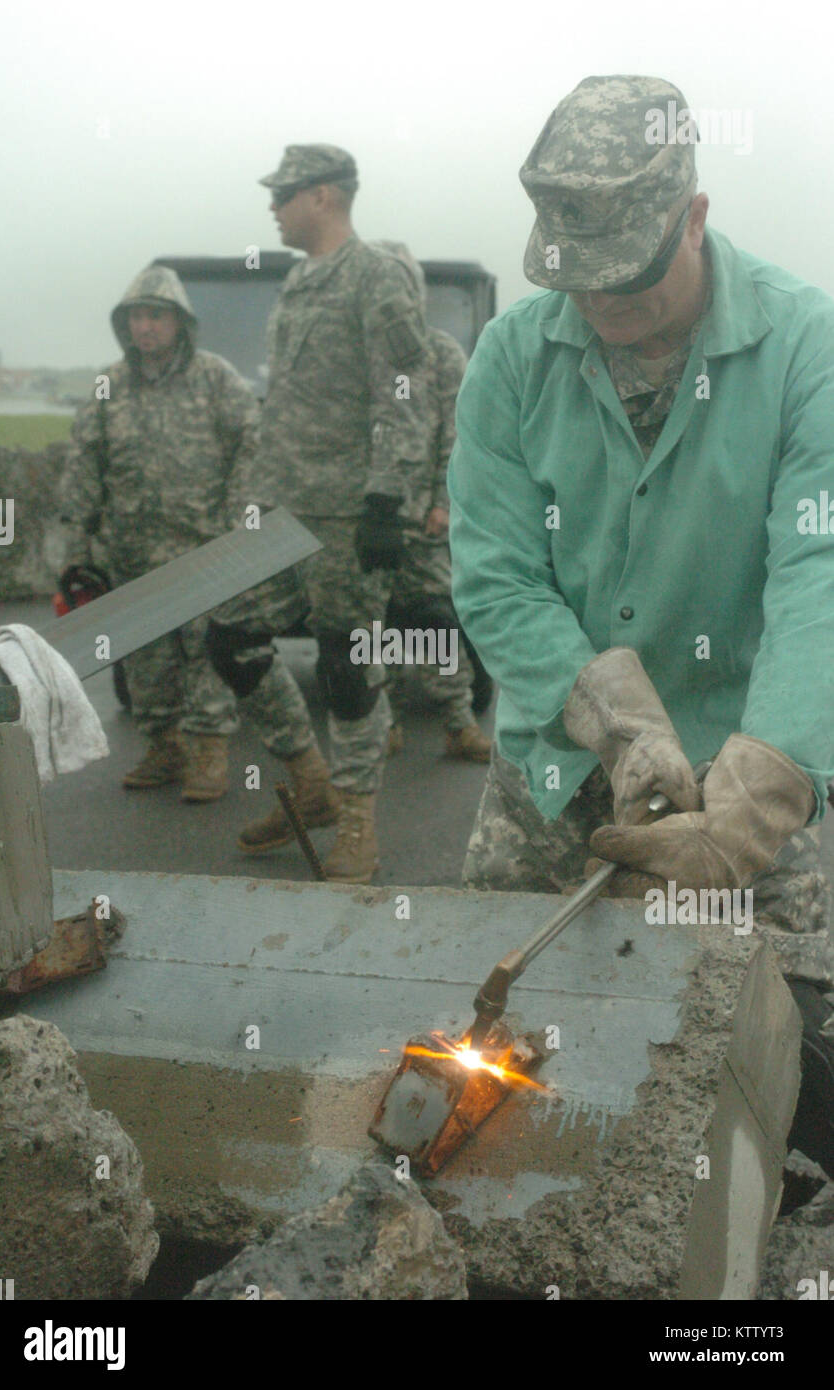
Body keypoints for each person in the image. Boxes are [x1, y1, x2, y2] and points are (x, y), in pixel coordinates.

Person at [448, 76, 834, 1172]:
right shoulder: (512, 359)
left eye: (628, 279)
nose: (603, 308)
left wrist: (763, 779)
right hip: (557, 764)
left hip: (742, 761)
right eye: (578, 284)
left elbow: (821, 569)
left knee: (768, 1074)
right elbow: (495, 572)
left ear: (693, 218)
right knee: (497, 1066)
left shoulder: (807, 346)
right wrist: (613, 722)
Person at [224, 145, 430, 882]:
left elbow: (406, 389)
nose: (273, 208)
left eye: (282, 195)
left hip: (346, 513)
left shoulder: (376, 275)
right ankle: (308, 780)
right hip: (280, 510)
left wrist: (388, 498)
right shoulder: (298, 282)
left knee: (348, 665)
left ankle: (357, 823)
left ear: (321, 196)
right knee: (231, 635)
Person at [59, 265, 259, 802]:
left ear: (179, 322)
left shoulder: (215, 377)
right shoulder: (109, 385)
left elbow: (252, 442)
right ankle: (164, 747)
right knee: (145, 660)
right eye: (136, 317)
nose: (145, 327)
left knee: (204, 657)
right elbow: (84, 462)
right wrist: (75, 546)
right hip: (130, 552)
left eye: (156, 316)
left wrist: (239, 518)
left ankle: (210, 754)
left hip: (202, 549)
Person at [369, 241, 491, 764]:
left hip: (423, 520)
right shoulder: (353, 354)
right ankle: (385, 722)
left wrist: (444, 502)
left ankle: (458, 725)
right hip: (367, 520)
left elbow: (458, 435)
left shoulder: (440, 354)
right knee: (375, 626)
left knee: (437, 621)